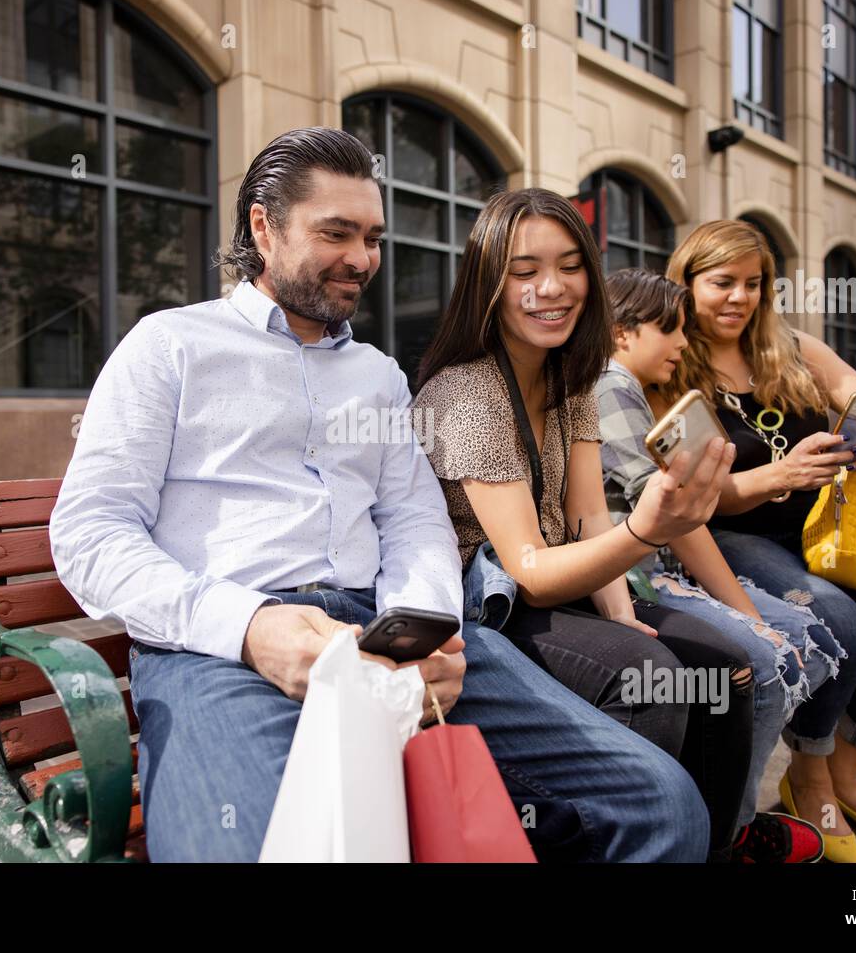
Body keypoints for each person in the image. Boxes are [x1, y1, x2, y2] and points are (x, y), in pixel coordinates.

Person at [48, 127, 710, 863]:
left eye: (372, 236)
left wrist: (421, 627)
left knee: (664, 806)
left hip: (385, 633)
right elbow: (91, 535)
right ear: (263, 228)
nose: (362, 258)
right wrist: (251, 626)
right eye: (337, 233)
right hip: (221, 650)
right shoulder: (168, 347)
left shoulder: (379, 376)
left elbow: (415, 521)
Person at [412, 187, 754, 862]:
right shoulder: (467, 393)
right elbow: (529, 572)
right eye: (524, 270)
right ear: (488, 281)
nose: (553, 287)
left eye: (571, 265)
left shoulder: (574, 378)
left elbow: (589, 512)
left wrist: (620, 610)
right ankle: (634, 837)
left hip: (558, 578)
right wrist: (646, 534)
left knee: (722, 666)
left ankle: (708, 849)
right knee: (646, 675)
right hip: (486, 608)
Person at [662, 219, 856, 861]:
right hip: (731, 534)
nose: (739, 298)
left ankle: (844, 774)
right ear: (687, 284)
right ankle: (808, 773)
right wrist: (779, 474)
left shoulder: (789, 345)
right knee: (839, 624)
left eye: (753, 284)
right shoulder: (668, 365)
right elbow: (691, 498)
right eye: (721, 283)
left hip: (825, 529)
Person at [598, 267, 839, 863]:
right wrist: (745, 611)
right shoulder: (609, 386)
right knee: (764, 653)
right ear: (623, 331)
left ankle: (732, 817)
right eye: (670, 330)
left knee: (802, 636)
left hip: (651, 569)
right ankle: (727, 831)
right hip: (636, 576)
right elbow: (678, 521)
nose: (684, 344)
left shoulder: (622, 388)